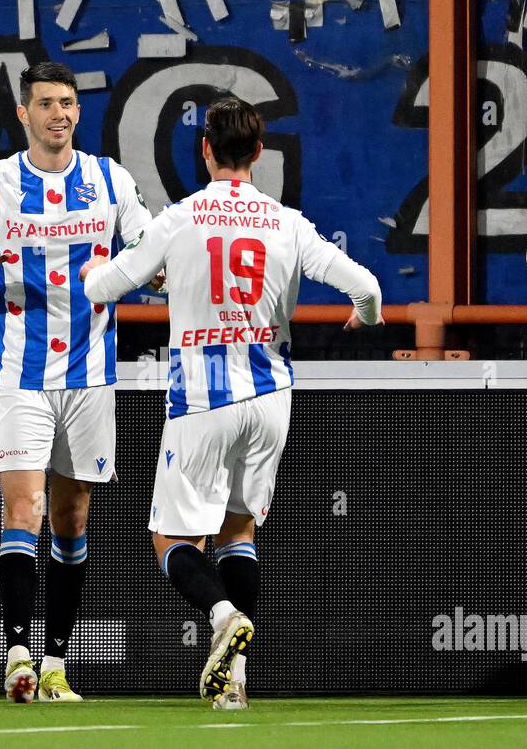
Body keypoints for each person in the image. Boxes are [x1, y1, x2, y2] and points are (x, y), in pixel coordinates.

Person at [81, 97, 383, 709]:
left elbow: (101, 287)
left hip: (202, 398)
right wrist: (363, 316)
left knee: (172, 539)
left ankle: (221, 615)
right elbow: (368, 287)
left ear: (205, 149)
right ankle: (236, 684)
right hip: (271, 395)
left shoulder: (180, 219)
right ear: (260, 153)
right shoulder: (287, 222)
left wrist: (128, 273)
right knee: (240, 527)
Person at [0, 61, 151, 702]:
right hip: (19, 375)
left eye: (70, 103)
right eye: (48, 103)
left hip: (91, 376)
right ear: (22, 114)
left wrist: (146, 271)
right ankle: (19, 655)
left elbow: (143, 246)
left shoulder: (109, 178)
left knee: (72, 519)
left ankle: (57, 663)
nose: (61, 113)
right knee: (21, 510)